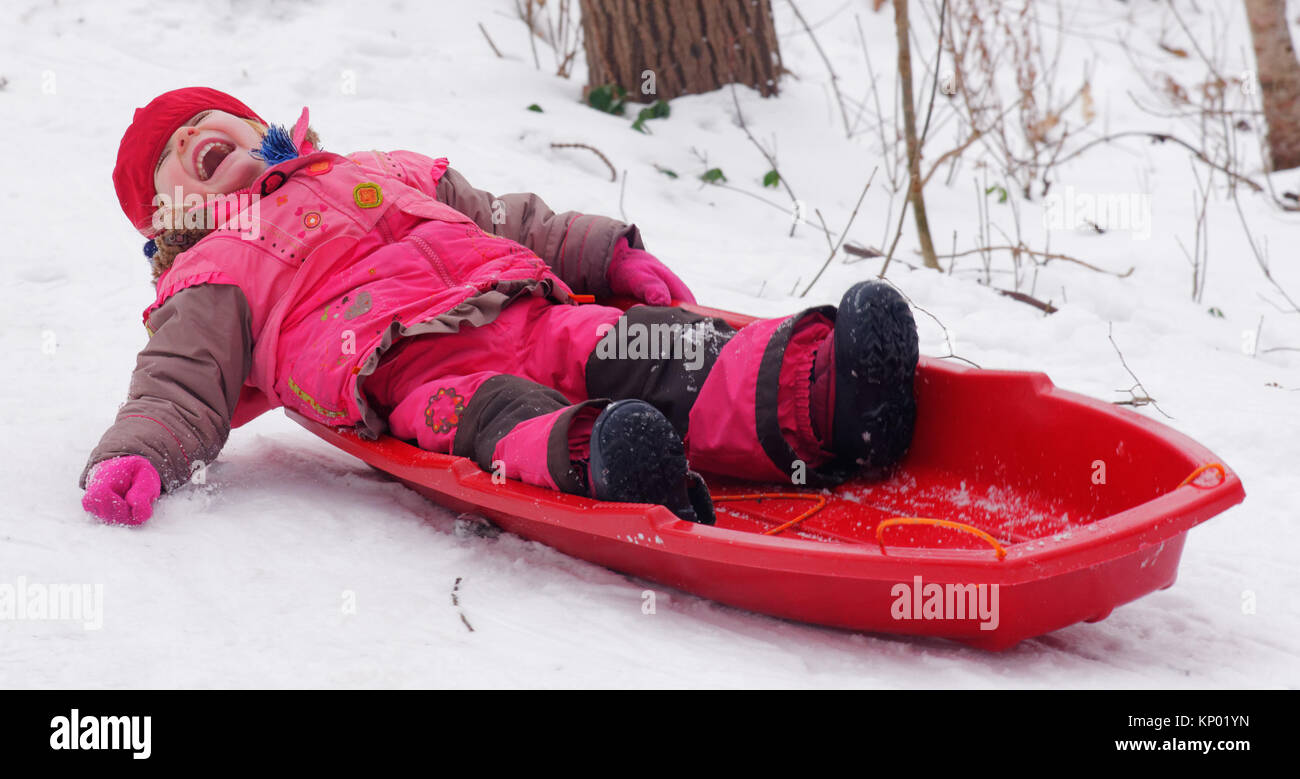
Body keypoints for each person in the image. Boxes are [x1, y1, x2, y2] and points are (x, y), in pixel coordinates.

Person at [81, 87, 919, 528]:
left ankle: (826, 389)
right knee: (504, 421)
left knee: (657, 344)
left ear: (262, 124)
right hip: (418, 373)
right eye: (178, 161)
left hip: (528, 309)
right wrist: (143, 453)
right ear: (171, 222)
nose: (199, 142)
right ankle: (613, 463)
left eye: (211, 123)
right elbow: (178, 382)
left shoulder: (374, 167)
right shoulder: (211, 272)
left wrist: (601, 251)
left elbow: (505, 218)